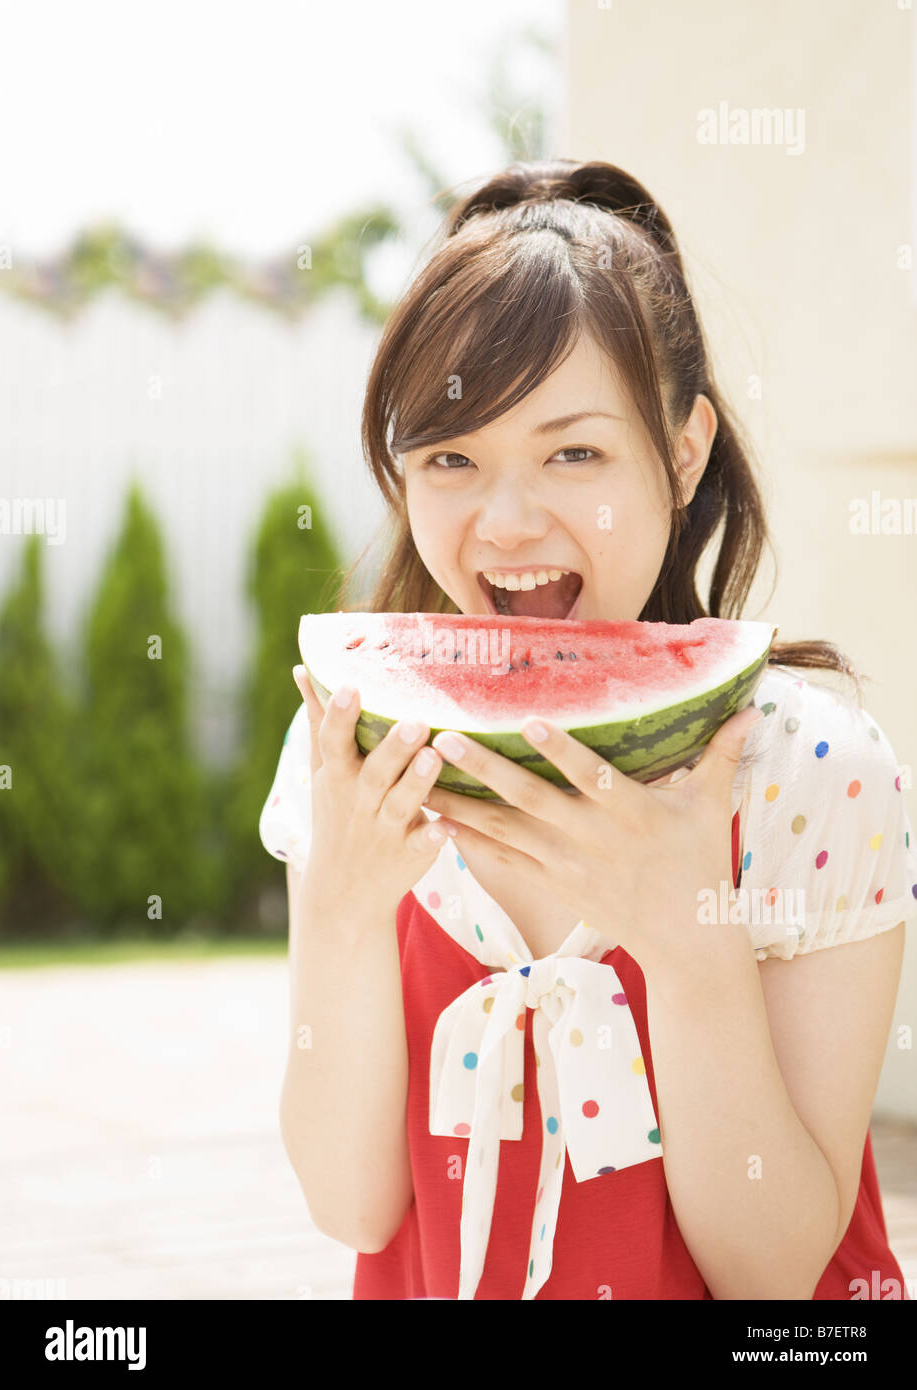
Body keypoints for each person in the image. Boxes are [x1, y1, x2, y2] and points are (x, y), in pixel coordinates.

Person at [261, 159, 917, 1300]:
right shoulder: (355, 751)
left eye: (574, 451)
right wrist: (340, 910)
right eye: (451, 460)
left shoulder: (812, 771)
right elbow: (349, 1204)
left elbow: (771, 1271)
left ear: (682, 450)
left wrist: (687, 940)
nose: (506, 523)